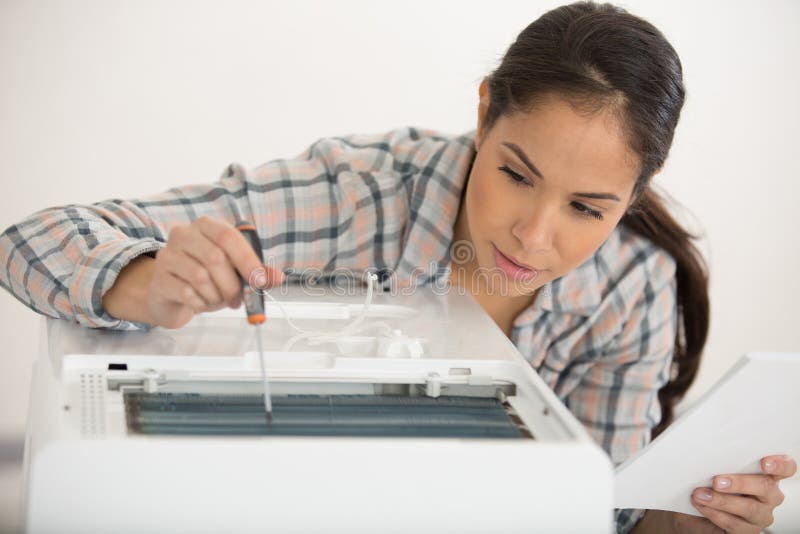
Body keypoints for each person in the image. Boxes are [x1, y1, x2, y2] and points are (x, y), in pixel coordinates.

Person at [0, 1, 795, 532]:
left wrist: (678, 518)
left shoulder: (633, 285)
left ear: (635, 193)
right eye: (515, 174)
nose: (533, 237)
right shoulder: (359, 196)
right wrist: (141, 279)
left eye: (588, 208)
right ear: (484, 111)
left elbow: (591, 512)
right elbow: (29, 239)